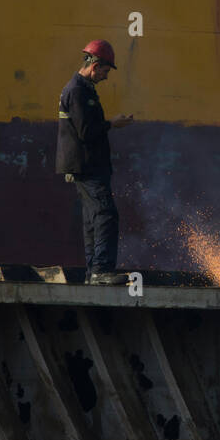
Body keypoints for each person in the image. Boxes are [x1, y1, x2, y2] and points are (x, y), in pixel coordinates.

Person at [56, 39, 133, 284]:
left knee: (92, 219)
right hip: (87, 166)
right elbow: (86, 132)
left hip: (85, 165)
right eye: (105, 71)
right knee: (105, 213)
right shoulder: (78, 90)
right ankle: (101, 270)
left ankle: (93, 273)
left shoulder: (82, 88)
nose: (106, 76)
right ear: (94, 65)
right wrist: (114, 124)